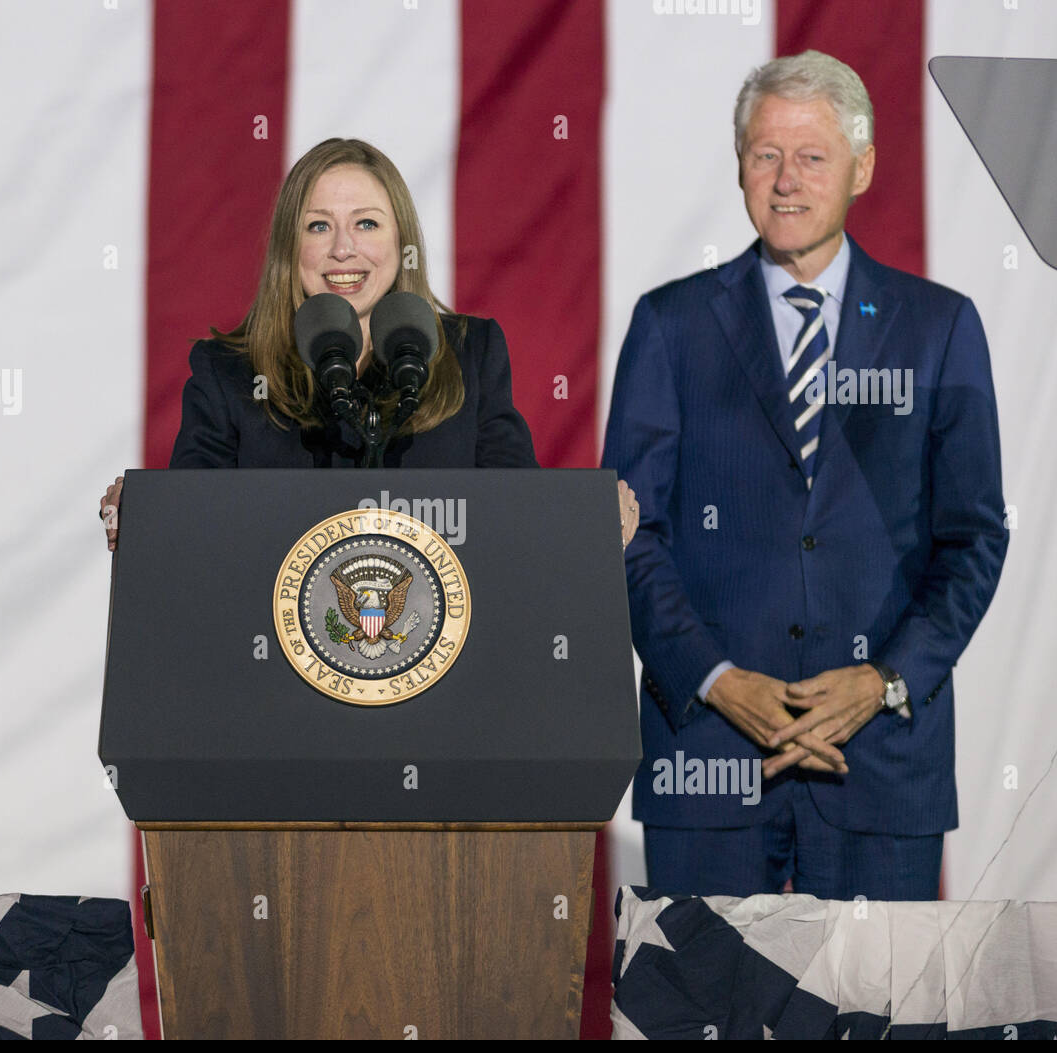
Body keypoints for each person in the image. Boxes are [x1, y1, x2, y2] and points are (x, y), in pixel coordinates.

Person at [600, 51, 1007, 900]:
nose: (785, 180)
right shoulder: (669, 324)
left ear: (861, 168)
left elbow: (973, 539)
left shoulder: (940, 328)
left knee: (875, 1026)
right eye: (764, 155)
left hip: (881, 767)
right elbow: (631, 535)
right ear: (740, 166)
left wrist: (882, 680)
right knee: (698, 1018)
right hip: (707, 759)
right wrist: (717, 679)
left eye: (811, 156)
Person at [103, 137, 639, 546]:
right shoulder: (228, 372)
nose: (343, 249)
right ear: (290, 248)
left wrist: (589, 521)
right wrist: (145, 517)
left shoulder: (470, 353)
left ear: (400, 240)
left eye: (366, 223)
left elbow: (519, 513)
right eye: (318, 226)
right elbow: (190, 527)